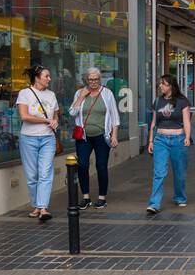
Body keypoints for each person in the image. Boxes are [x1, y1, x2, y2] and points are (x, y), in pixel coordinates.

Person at [69, 67, 120, 208]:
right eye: (91, 79)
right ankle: (86, 197)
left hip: (102, 136)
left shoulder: (107, 93)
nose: (93, 82)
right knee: (82, 165)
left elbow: (115, 116)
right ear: (86, 79)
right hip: (83, 137)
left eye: (96, 79)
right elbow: (72, 112)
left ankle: (102, 197)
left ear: (100, 79)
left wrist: (114, 135)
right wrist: (81, 97)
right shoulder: (79, 93)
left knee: (101, 166)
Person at [16, 63, 59, 222]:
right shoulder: (24, 93)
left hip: (48, 138)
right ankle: (36, 206)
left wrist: (55, 121)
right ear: (37, 77)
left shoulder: (51, 95)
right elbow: (24, 116)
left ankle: (43, 207)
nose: (49, 79)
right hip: (28, 138)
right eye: (46, 76)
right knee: (32, 175)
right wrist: (46, 120)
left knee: (45, 173)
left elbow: (56, 115)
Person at [147, 74, 192, 214]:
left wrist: (187, 137)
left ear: (171, 86)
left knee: (179, 172)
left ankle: (180, 197)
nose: (160, 86)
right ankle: (154, 204)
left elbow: (186, 121)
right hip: (160, 140)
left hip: (178, 139)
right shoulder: (157, 101)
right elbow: (154, 123)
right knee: (159, 172)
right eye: (160, 83)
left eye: (163, 83)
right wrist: (150, 140)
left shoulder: (182, 101)